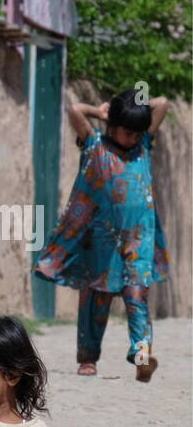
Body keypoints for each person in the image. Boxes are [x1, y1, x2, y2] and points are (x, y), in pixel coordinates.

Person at [34, 89, 171, 381]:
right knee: (96, 301)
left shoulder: (144, 145)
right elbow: (73, 110)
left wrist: (134, 106)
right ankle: (88, 358)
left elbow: (163, 103)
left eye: (137, 132)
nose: (133, 138)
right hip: (101, 242)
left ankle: (141, 353)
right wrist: (100, 112)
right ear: (111, 127)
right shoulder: (94, 145)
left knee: (138, 296)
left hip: (139, 239)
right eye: (127, 132)